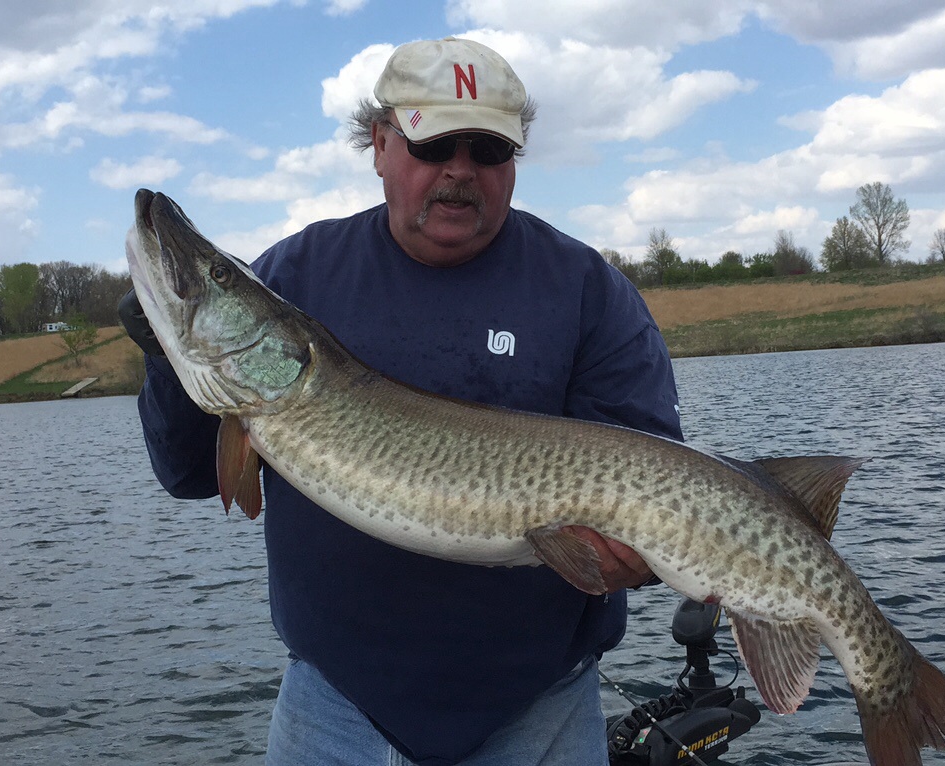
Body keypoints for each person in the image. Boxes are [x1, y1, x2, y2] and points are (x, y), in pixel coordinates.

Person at [122, 36, 683, 766]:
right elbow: (192, 474)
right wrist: (167, 360)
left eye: (487, 149)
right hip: (335, 707)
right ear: (381, 143)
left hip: (539, 708)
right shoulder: (294, 275)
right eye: (434, 144)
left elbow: (649, 469)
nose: (460, 171)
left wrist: (639, 553)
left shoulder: (585, 291)